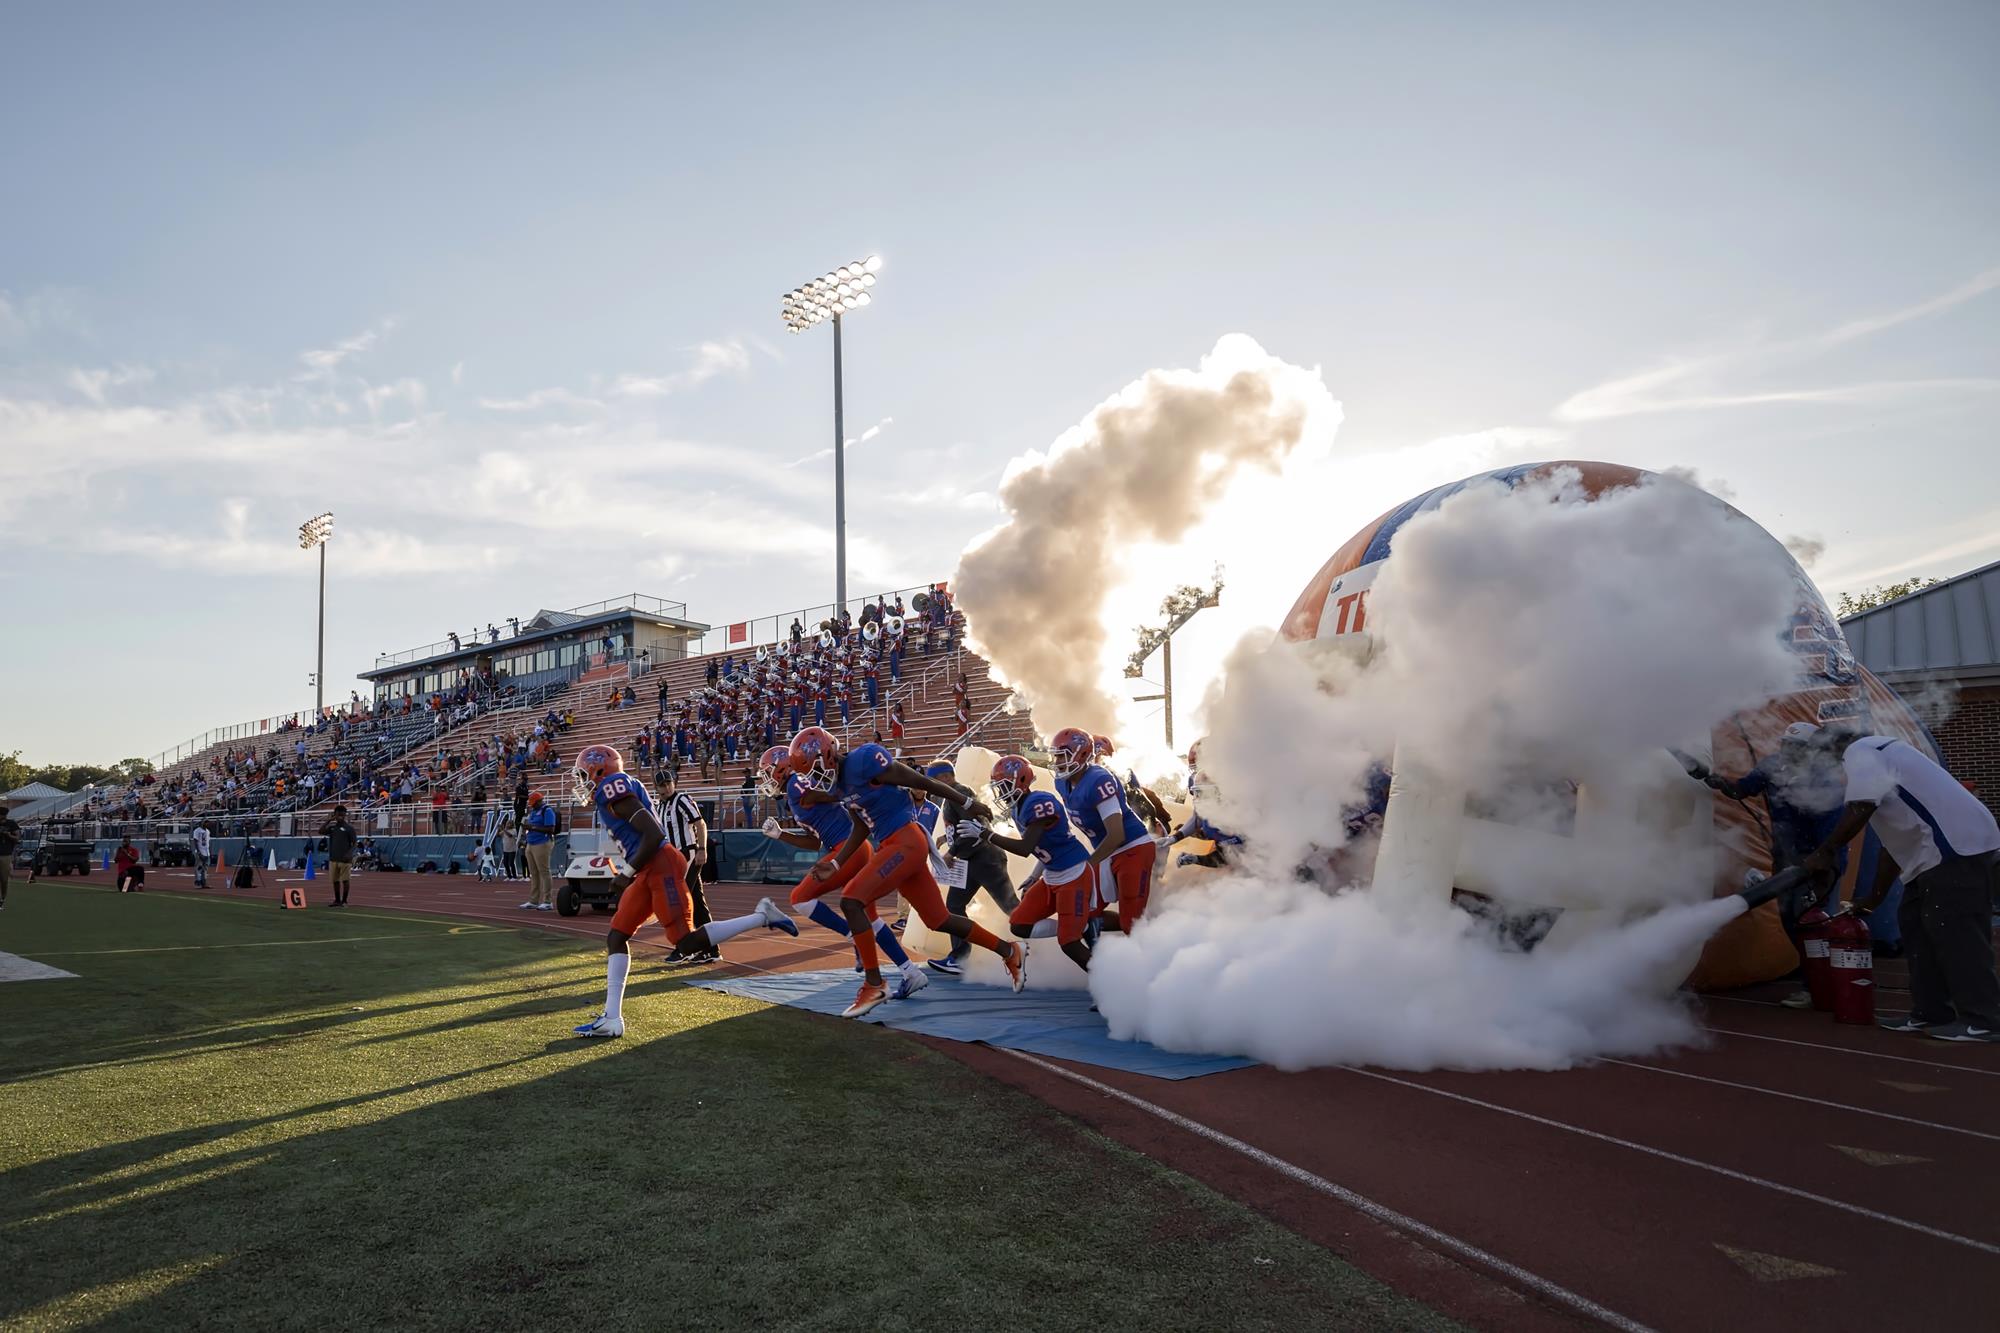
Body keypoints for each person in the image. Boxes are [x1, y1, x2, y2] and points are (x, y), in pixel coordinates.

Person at [788, 726, 1022, 1018]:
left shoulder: (865, 760)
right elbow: (861, 825)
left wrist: (965, 801)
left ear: (828, 753)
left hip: (905, 841)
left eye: (814, 769)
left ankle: (874, 983)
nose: (814, 780)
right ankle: (1008, 950)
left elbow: (917, 779)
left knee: (852, 900)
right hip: (894, 843)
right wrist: (836, 864)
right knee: (939, 919)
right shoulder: (838, 785)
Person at [567, 746, 795, 1038]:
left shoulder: (613, 789)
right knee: (617, 935)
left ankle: (762, 916)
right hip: (648, 869)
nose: (582, 782)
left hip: (659, 865)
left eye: (584, 775)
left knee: (686, 943)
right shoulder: (616, 789)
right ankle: (612, 1017)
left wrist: (625, 874)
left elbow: (653, 835)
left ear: (600, 771)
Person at [1802, 730, 2000, 1042]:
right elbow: (1891, 848)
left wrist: (1824, 851)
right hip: (1933, 854)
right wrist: (1873, 897)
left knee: (1957, 934)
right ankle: (1930, 1012)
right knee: (1916, 929)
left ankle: (1984, 1020)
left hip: (1957, 847)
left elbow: (1859, 808)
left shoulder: (1863, 750)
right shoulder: (1884, 761)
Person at [1682, 721, 1849, 1008]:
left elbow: (1832, 831)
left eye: (1795, 746)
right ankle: (1815, 982)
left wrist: (1824, 870)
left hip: (1819, 858)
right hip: (1786, 855)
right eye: (1785, 744)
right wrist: (1716, 781)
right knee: (1791, 919)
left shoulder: (1823, 780)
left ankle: (1824, 986)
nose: (1787, 750)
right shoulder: (1773, 766)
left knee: (1815, 920)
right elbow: (1741, 790)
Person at [757, 746, 927, 999]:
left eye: (768, 773)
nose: (767, 780)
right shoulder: (794, 790)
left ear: (782, 768)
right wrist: (781, 835)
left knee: (800, 898)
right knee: (870, 918)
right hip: (853, 848)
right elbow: (814, 843)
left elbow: (829, 795)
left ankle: (853, 937)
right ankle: (910, 971)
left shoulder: (795, 784)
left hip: (847, 849)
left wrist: (846, 793)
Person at [983, 755, 1101, 973]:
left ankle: (1108, 985)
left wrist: (987, 835)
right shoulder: (1020, 806)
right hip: (1052, 874)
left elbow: (1025, 848)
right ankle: (1082, 925)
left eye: (1005, 785)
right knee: (1020, 924)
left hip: (1073, 874)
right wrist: (1034, 876)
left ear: (1021, 781)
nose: (1001, 793)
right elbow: (1043, 847)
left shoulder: (1039, 803)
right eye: (999, 788)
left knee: (1069, 944)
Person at [1049, 727, 1157, 933]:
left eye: (1062, 756)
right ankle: (1109, 951)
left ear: (1081, 755)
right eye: (1056, 757)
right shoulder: (1062, 782)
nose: (1058, 763)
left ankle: (1157, 945)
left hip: (1132, 848)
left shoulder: (1099, 779)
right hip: (1106, 851)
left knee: (1131, 925)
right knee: (1083, 912)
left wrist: (1087, 865)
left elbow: (1117, 834)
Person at [924, 759, 1020, 975]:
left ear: (946, 777)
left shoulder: (959, 793)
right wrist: (945, 837)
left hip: (985, 859)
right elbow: (965, 826)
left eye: (934, 780)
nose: (932, 786)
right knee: (954, 906)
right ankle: (960, 957)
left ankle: (1043, 942)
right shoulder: (953, 796)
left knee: (1011, 907)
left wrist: (951, 852)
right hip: (975, 860)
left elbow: (975, 828)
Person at [656, 770, 715, 959]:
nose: (666, 787)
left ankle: (684, 947)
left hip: (687, 854)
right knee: (696, 901)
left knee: (680, 902)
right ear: (656, 788)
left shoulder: (681, 799)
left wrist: (702, 849)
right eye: (662, 784)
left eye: (668, 783)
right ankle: (711, 949)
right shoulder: (660, 807)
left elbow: (700, 824)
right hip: (675, 859)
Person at [521, 792, 558, 911]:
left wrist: (532, 827)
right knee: (534, 873)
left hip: (542, 843)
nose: (532, 806)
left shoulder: (547, 811)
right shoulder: (533, 812)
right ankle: (534, 900)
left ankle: (547, 901)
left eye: (533, 804)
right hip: (531, 843)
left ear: (538, 802)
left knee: (544, 872)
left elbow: (551, 829)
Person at [324, 805, 357, 907]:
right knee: (335, 881)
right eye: (338, 814)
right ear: (335, 814)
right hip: (333, 858)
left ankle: (344, 900)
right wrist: (329, 820)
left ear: (345, 815)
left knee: (345, 880)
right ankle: (337, 900)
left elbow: (354, 843)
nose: (340, 816)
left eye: (342, 814)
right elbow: (320, 831)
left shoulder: (349, 828)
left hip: (345, 859)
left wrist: (349, 853)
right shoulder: (332, 827)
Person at [0, 810, 19, 910]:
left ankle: (2, 899)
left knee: (4, 879)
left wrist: (8, 835)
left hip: (5, 854)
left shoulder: (11, 824)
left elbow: (17, 838)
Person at [191, 821, 211, 889]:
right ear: (202, 823)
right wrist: (198, 852)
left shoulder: (208, 831)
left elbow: (208, 842)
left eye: (208, 822)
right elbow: (195, 841)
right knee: (198, 867)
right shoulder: (197, 831)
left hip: (207, 852)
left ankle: (204, 882)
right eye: (206, 822)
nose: (207, 824)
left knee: (205, 868)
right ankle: (198, 881)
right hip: (200, 851)